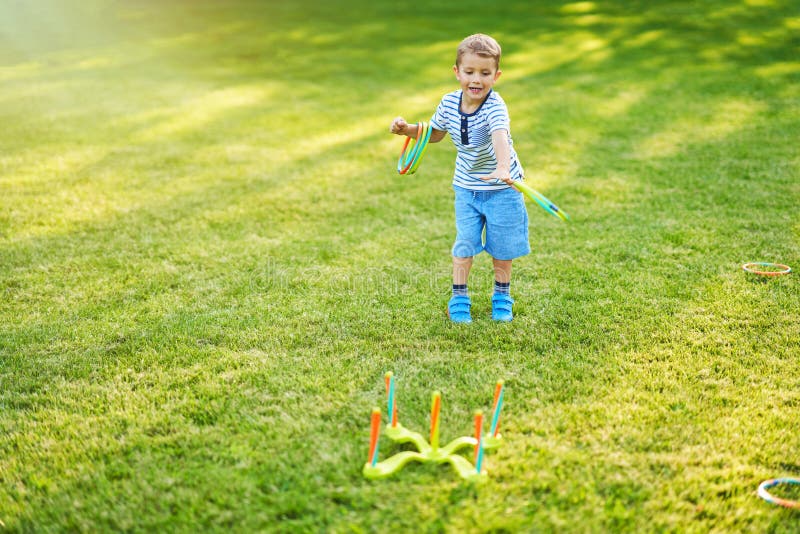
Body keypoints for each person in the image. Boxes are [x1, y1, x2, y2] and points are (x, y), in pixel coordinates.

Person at [389, 33, 530, 323]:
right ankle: (459, 295)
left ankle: (502, 295)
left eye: (484, 73)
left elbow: (500, 136)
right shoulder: (449, 102)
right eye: (469, 72)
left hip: (502, 187)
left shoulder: (495, 106)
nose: (476, 79)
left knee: (502, 247)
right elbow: (437, 133)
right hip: (467, 187)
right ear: (457, 72)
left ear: (496, 75)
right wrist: (408, 130)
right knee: (464, 243)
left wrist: (503, 167)